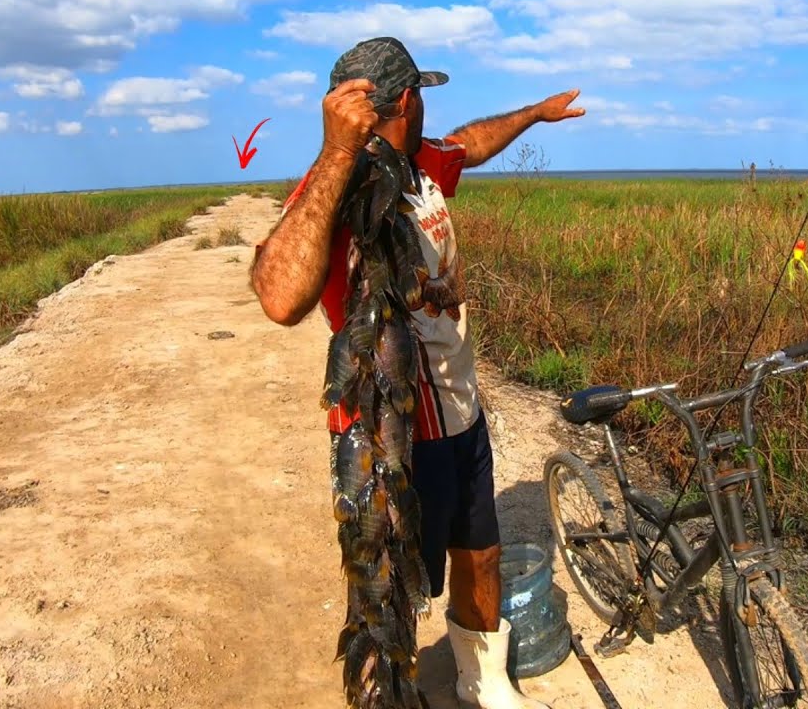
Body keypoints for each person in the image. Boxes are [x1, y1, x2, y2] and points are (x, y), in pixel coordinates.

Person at [249, 37, 584, 708]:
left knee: (481, 553)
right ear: (407, 100)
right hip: (392, 434)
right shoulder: (339, 184)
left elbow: (471, 142)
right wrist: (338, 150)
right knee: (390, 590)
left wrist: (536, 114)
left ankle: (482, 681)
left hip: (461, 410)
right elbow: (280, 296)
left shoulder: (421, 163)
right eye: (423, 94)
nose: (430, 107)